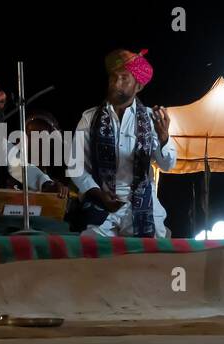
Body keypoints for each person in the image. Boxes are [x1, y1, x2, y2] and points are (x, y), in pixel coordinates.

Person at [69, 49, 176, 237]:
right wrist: (98, 194)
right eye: (113, 77)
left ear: (138, 86)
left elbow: (167, 165)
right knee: (88, 252)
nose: (116, 84)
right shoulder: (89, 118)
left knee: (149, 256)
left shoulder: (152, 119)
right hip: (100, 204)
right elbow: (75, 167)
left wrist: (164, 138)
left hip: (142, 205)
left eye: (124, 78)